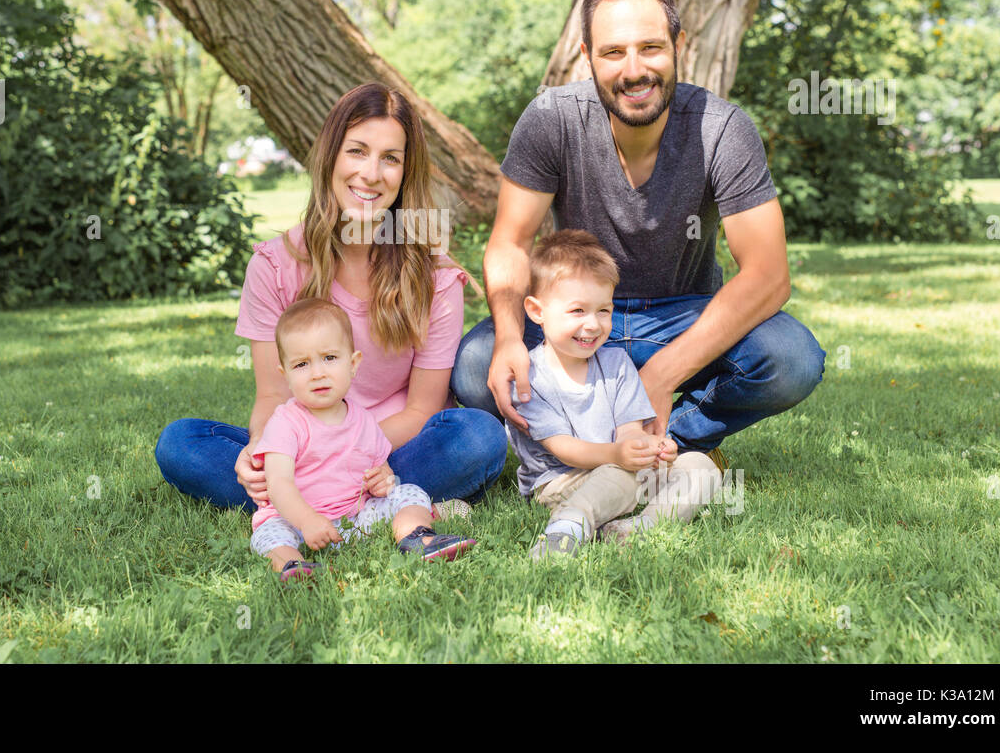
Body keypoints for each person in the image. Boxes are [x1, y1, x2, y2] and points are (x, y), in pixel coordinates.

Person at [452, 0, 827, 459]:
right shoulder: (550, 119)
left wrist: (659, 377)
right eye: (613, 52)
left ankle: (672, 438)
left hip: (683, 315)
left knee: (792, 358)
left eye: (650, 47)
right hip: (574, 314)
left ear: (679, 46)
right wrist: (507, 337)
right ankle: (603, 439)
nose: (633, 71)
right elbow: (509, 243)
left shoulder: (723, 129)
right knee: (475, 365)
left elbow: (769, 276)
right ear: (587, 57)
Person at [157, 82, 506, 519]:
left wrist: (348, 451)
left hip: (387, 452)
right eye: (357, 151)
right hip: (301, 453)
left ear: (406, 172)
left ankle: (321, 503)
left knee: (478, 437)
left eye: (391, 158)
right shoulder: (274, 265)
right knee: (181, 443)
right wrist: (263, 451)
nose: (372, 173)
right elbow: (271, 396)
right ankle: (384, 504)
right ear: (331, 157)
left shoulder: (434, 275)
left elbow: (423, 408)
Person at [511, 230, 722, 558]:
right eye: (578, 311)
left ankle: (641, 526)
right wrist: (620, 457)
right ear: (537, 311)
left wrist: (651, 449)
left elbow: (629, 432)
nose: (593, 325)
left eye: (604, 311)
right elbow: (564, 449)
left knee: (700, 466)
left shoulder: (617, 364)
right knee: (621, 476)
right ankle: (567, 525)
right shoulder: (531, 375)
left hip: (621, 469)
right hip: (560, 481)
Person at [252, 298, 477, 582]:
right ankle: (293, 567)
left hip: (355, 516)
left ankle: (417, 536)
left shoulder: (362, 419)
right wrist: (306, 520)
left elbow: (380, 467)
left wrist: (383, 479)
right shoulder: (285, 423)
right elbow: (278, 484)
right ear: (285, 375)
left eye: (330, 358)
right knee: (270, 534)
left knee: (407, 491)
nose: (317, 373)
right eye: (301, 364)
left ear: (353, 363)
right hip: (295, 519)